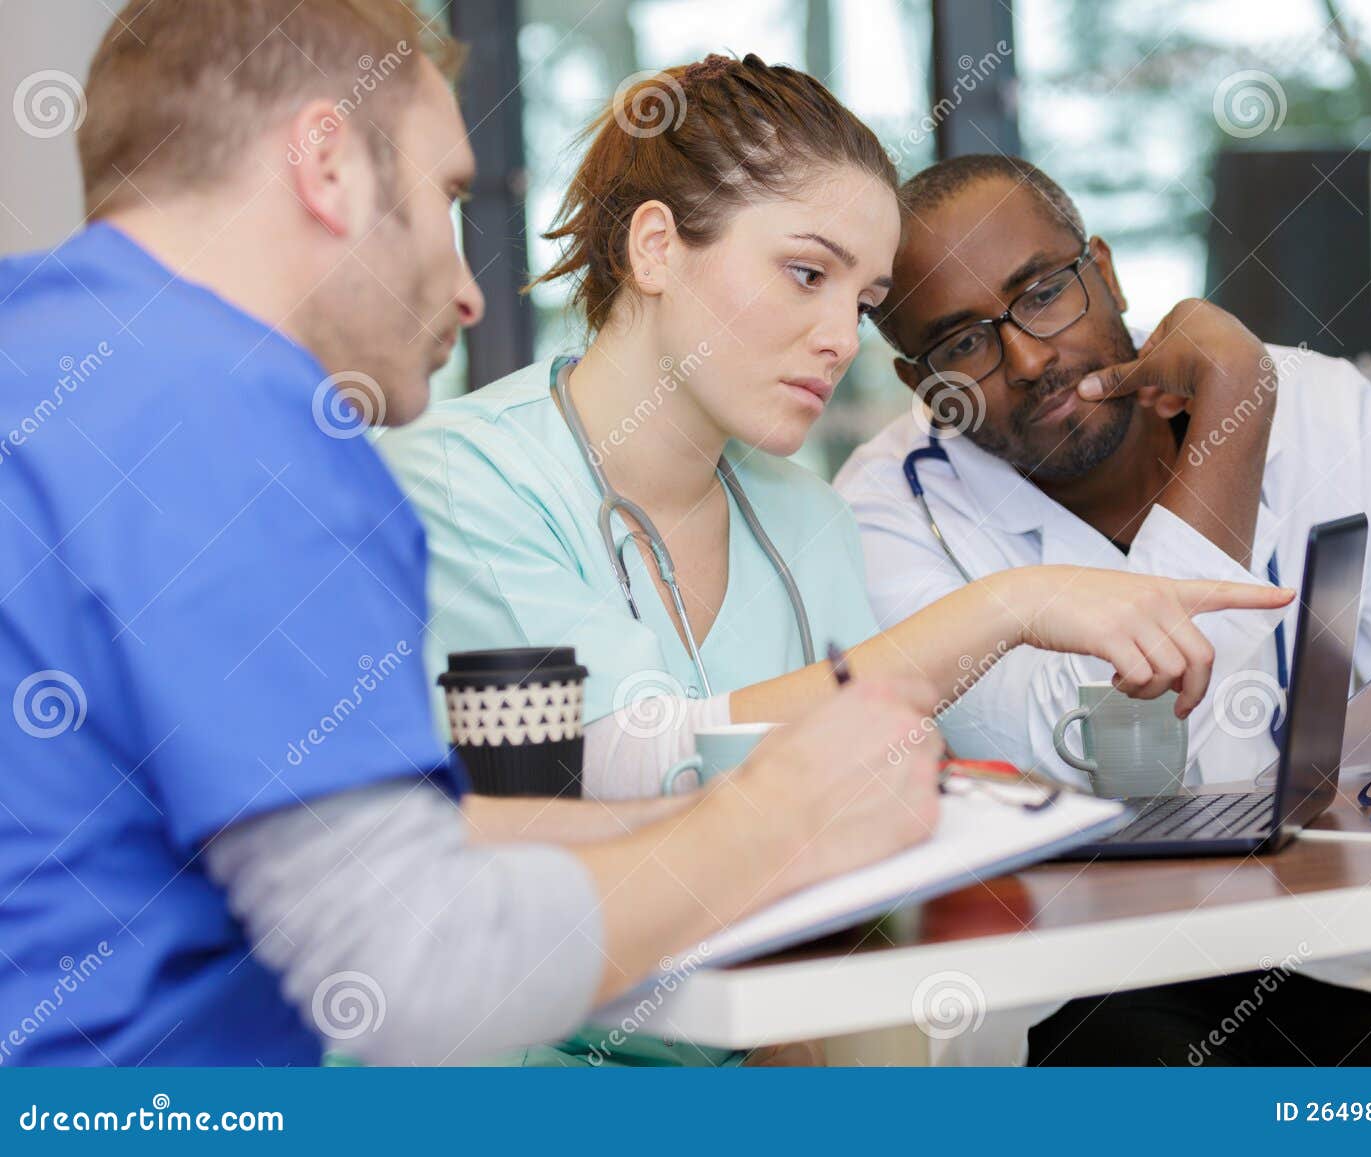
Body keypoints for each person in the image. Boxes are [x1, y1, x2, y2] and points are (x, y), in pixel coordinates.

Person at [0, 0, 946, 1067]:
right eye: (447, 194)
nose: (463, 290)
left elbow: (371, 846)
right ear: (327, 164)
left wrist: (754, 807)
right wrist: (779, 815)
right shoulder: (238, 413)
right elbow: (415, 974)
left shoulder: (53, 355)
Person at [375, 54, 1292, 1067]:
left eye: (861, 302)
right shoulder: (457, 482)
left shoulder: (804, 517)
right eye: (805, 274)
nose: (836, 336)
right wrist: (1010, 605)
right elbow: (636, 760)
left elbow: (851, 864)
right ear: (655, 248)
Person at [835, 152, 1371, 1064]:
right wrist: (1232, 419)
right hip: (1087, 995)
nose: (1026, 357)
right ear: (916, 382)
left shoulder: (1325, 407)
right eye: (963, 344)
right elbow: (1076, 736)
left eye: (1045, 293)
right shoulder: (888, 516)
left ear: (1107, 271)